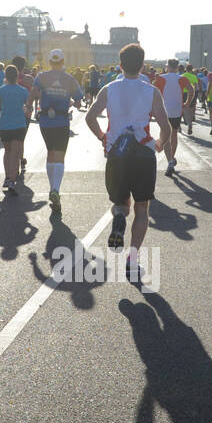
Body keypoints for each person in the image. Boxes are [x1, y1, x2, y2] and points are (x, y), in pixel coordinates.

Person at [84, 42, 170, 280]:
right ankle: (132, 260)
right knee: (142, 208)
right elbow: (166, 125)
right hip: (143, 151)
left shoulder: (109, 88)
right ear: (143, 65)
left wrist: (103, 137)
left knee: (121, 204)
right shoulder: (151, 90)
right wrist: (161, 143)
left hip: (117, 153)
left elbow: (90, 117)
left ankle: (120, 217)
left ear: (120, 65)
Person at [32, 49, 83, 214]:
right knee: (60, 154)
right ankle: (55, 189)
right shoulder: (69, 79)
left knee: (50, 153)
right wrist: (71, 103)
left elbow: (34, 92)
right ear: (62, 62)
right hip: (61, 121)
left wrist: (28, 106)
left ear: (50, 62)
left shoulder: (42, 76)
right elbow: (78, 101)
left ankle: (51, 186)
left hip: (45, 121)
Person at [0, 64, 31, 194]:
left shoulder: (0, 90)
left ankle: (8, 176)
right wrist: (26, 110)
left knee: (7, 151)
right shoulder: (23, 90)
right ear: (17, 76)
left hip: (4, 124)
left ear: (5, 76)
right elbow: (28, 106)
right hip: (19, 124)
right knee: (15, 153)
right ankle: (12, 180)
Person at [154, 59, 192, 177]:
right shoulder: (182, 79)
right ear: (177, 67)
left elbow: (153, 92)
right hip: (177, 110)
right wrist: (187, 103)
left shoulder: (160, 78)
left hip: (164, 111)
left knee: (165, 136)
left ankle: (170, 160)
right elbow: (191, 90)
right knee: (174, 135)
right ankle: (172, 158)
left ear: (167, 66)